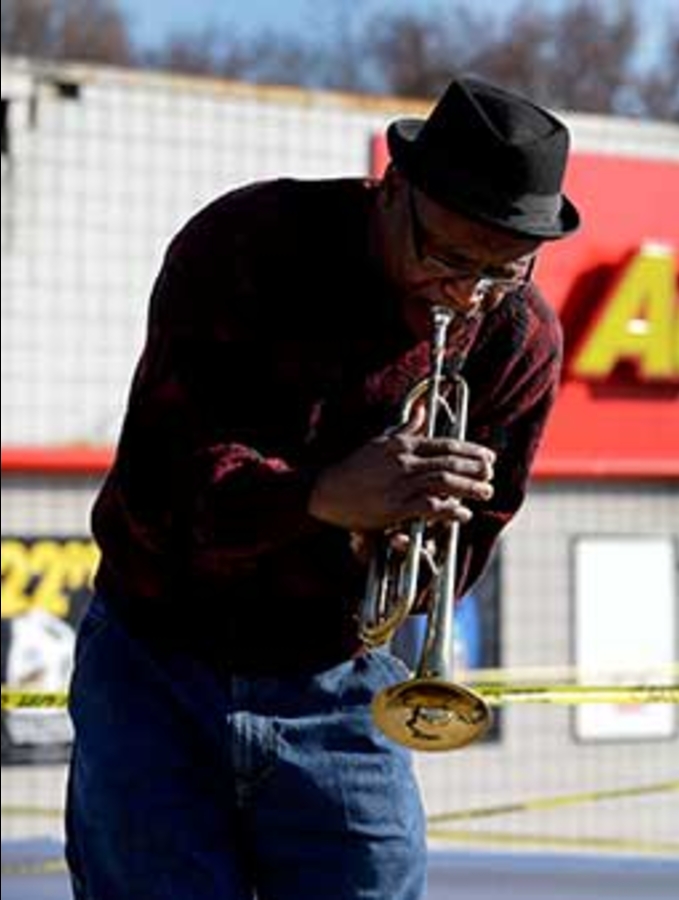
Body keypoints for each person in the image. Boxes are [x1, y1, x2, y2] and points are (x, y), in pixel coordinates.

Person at [65, 76, 578, 900]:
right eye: (450, 258)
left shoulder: (519, 337)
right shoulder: (251, 243)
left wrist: (403, 541)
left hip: (339, 675)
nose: (467, 295)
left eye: (504, 271)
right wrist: (324, 496)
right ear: (394, 188)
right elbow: (160, 484)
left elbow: (467, 546)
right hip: (158, 658)